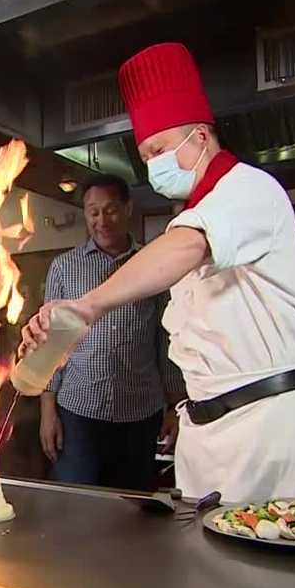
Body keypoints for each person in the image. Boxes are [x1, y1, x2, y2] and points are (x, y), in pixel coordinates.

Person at [20, 43, 295, 503]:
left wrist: (87, 306)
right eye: (145, 156)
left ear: (201, 137)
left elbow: (189, 243)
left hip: (263, 428)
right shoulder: (191, 214)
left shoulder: (248, 189)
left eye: (160, 148)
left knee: (270, 567)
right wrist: (61, 335)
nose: (154, 165)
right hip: (204, 430)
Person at [39, 174, 183, 490]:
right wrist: (47, 411)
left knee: (133, 509)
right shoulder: (64, 267)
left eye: (110, 210)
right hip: (78, 409)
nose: (101, 220)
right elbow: (51, 344)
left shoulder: (153, 263)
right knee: (76, 504)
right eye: (93, 211)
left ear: (128, 208)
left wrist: (174, 407)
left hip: (140, 411)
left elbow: (166, 340)